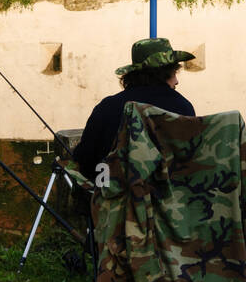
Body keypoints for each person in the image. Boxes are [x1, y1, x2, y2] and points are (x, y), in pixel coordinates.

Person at [72, 38, 197, 178]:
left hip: (115, 196)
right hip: (170, 196)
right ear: (166, 73)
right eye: (174, 73)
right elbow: (190, 160)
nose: (177, 81)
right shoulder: (182, 107)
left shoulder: (107, 107)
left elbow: (85, 161)